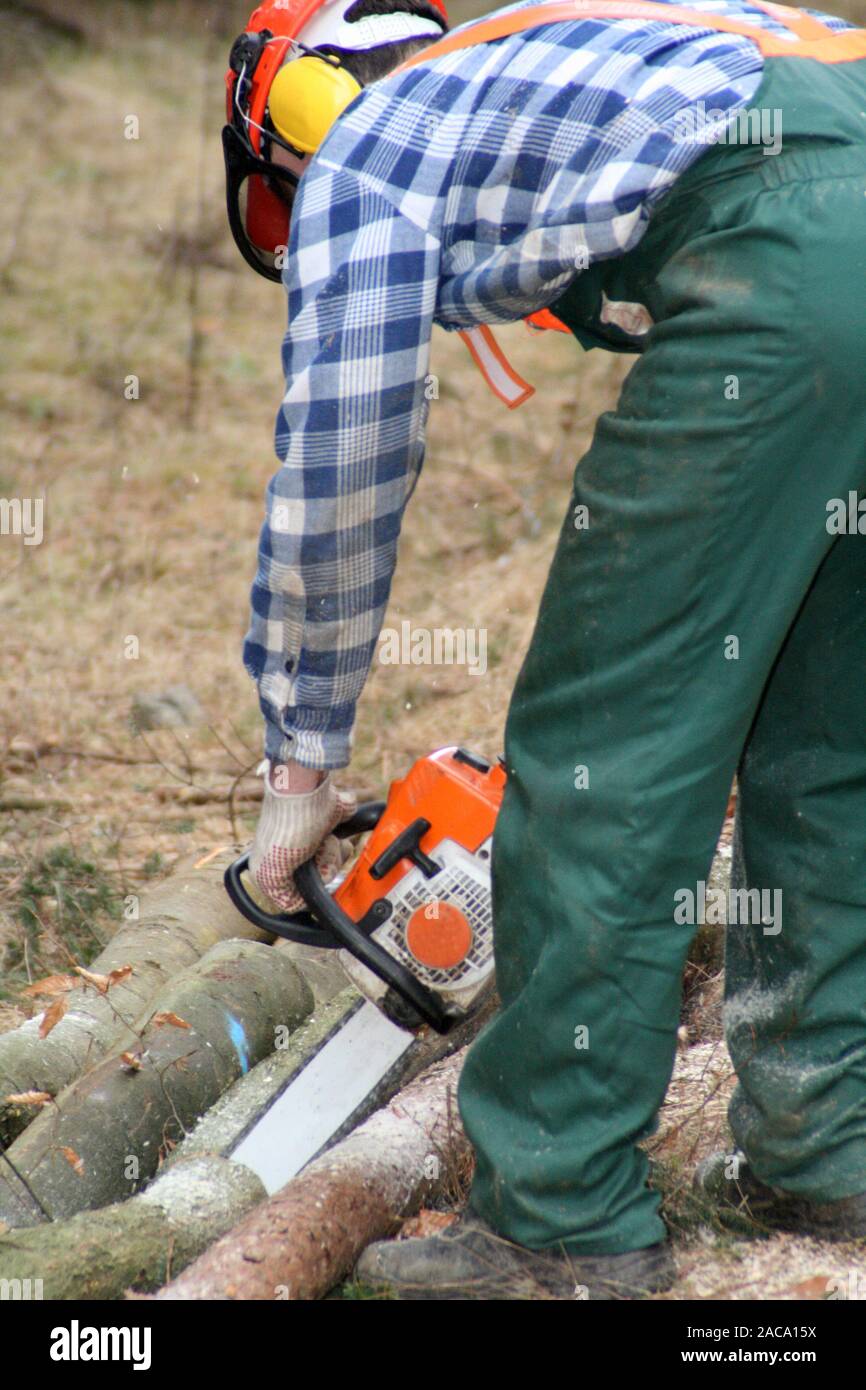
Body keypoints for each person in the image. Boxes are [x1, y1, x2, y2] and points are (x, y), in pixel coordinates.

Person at [223, 0, 866, 1298]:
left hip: (783, 263)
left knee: (599, 748)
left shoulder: (366, 151)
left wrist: (297, 772)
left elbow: (339, 476)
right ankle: (827, 1139)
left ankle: (556, 1215)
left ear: (289, 121)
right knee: (823, 731)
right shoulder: (551, 49)